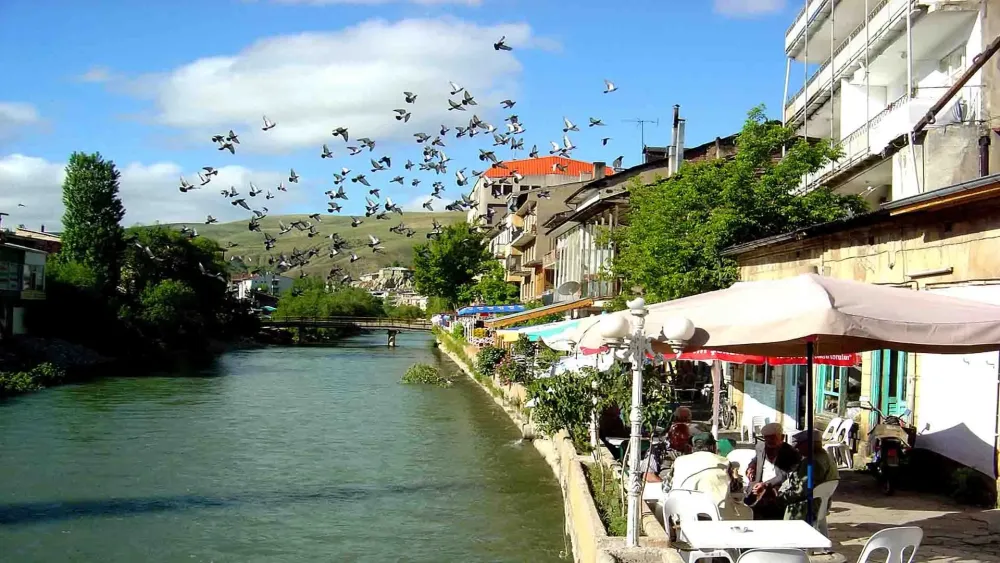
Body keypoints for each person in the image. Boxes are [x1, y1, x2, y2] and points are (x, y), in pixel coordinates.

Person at [669, 432, 751, 520]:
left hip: (683, 513)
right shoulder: (724, 461)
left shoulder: (679, 461)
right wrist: (736, 478)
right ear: (713, 447)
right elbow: (736, 489)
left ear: (693, 448)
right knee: (747, 512)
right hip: (716, 514)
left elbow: (667, 486)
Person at [775, 429, 839, 522]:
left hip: (807, 507)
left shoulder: (811, 463)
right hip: (821, 504)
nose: (797, 449)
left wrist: (779, 497)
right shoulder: (826, 457)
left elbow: (801, 491)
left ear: (808, 444)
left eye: (798, 446)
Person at [745, 422, 800, 520]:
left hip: (778, 486)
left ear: (782, 437)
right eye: (767, 438)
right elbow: (755, 459)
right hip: (758, 484)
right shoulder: (761, 447)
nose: (769, 440)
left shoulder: (790, 453)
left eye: (773, 437)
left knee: (766, 504)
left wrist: (765, 484)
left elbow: (784, 475)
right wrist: (751, 467)